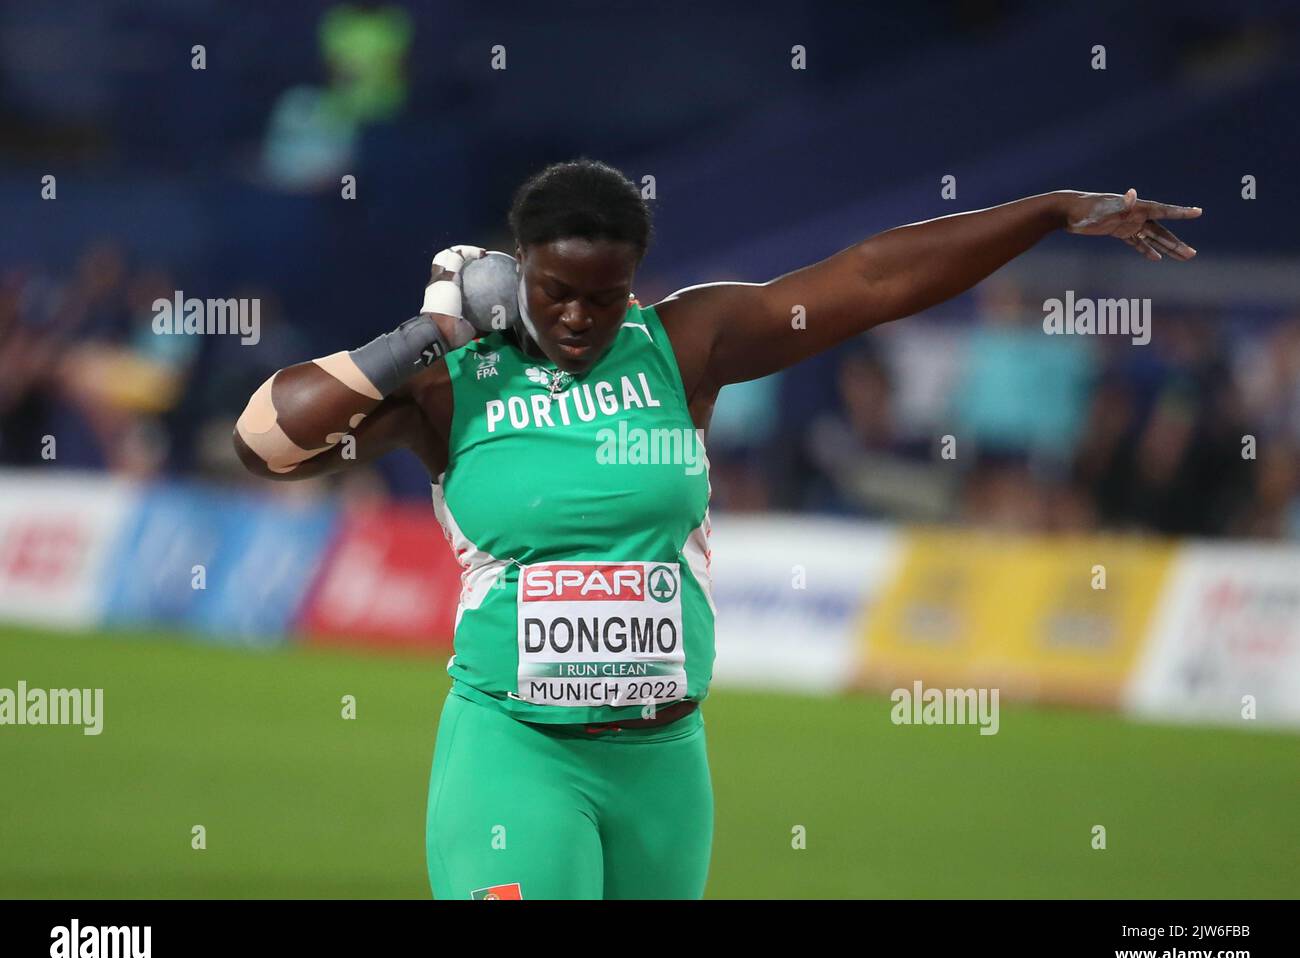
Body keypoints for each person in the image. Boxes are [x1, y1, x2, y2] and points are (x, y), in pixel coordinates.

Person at [232, 159, 1200, 899]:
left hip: (664, 762)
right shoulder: (452, 384)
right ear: (513, 272)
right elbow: (264, 440)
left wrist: (1048, 211)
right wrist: (425, 333)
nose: (577, 316)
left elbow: (868, 277)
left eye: (603, 296)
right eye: (554, 292)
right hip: (515, 748)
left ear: (636, 281)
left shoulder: (685, 345)